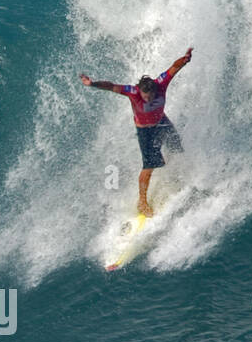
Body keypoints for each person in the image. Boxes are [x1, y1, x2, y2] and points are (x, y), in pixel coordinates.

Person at [80, 47, 193, 216]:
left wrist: (184, 59)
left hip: (161, 122)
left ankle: (170, 170)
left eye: (150, 96)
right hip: (145, 132)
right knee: (149, 167)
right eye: (144, 96)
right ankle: (142, 202)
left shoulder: (161, 84)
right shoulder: (133, 92)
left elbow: (173, 68)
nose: (147, 99)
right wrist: (92, 84)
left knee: (177, 146)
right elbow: (111, 86)